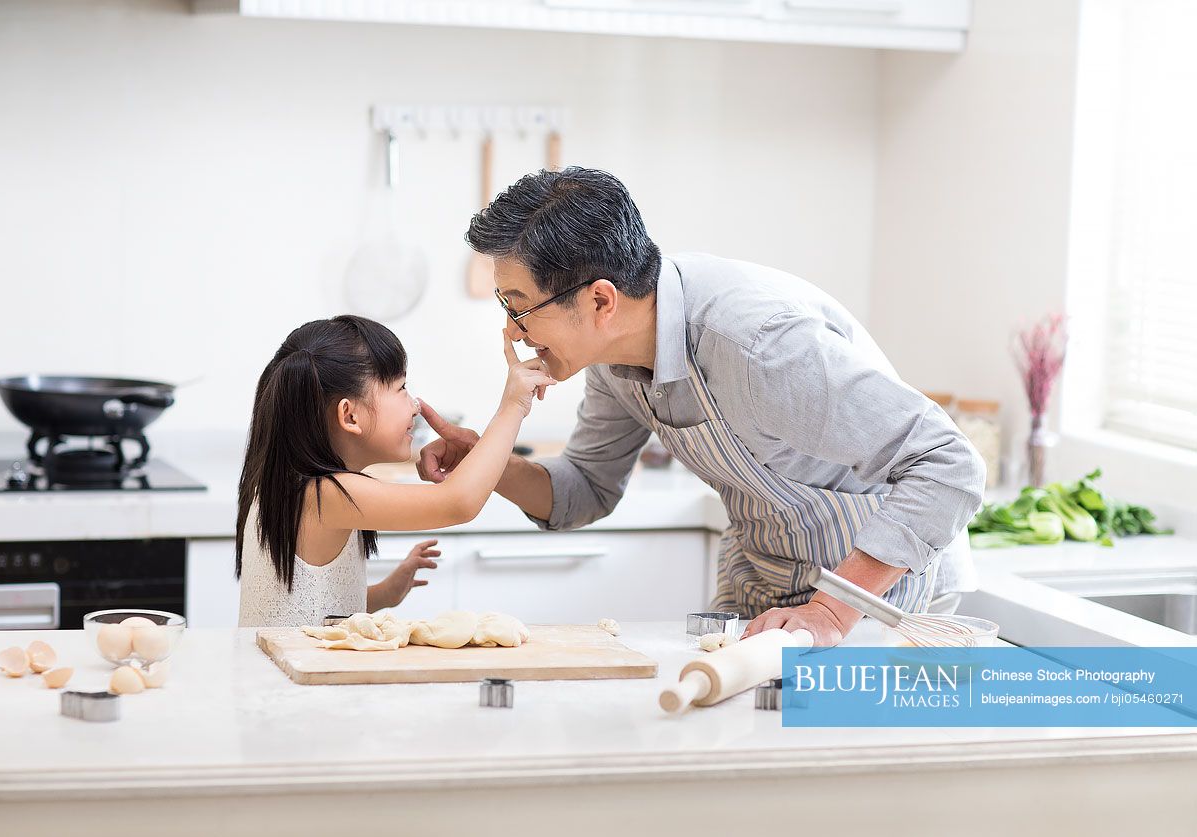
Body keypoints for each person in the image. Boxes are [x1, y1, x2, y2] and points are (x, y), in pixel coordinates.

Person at [416, 167, 986, 646]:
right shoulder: (614, 358)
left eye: (520, 308)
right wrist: (490, 465)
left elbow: (948, 464)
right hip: (767, 576)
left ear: (599, 300)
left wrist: (833, 611)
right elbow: (586, 488)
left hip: (878, 597)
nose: (512, 332)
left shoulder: (759, 345)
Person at [236, 314, 555, 627]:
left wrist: (385, 593)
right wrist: (513, 406)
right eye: (401, 387)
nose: (415, 404)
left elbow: (314, 606)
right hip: (284, 680)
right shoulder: (322, 495)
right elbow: (458, 503)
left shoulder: (294, 484)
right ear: (350, 416)